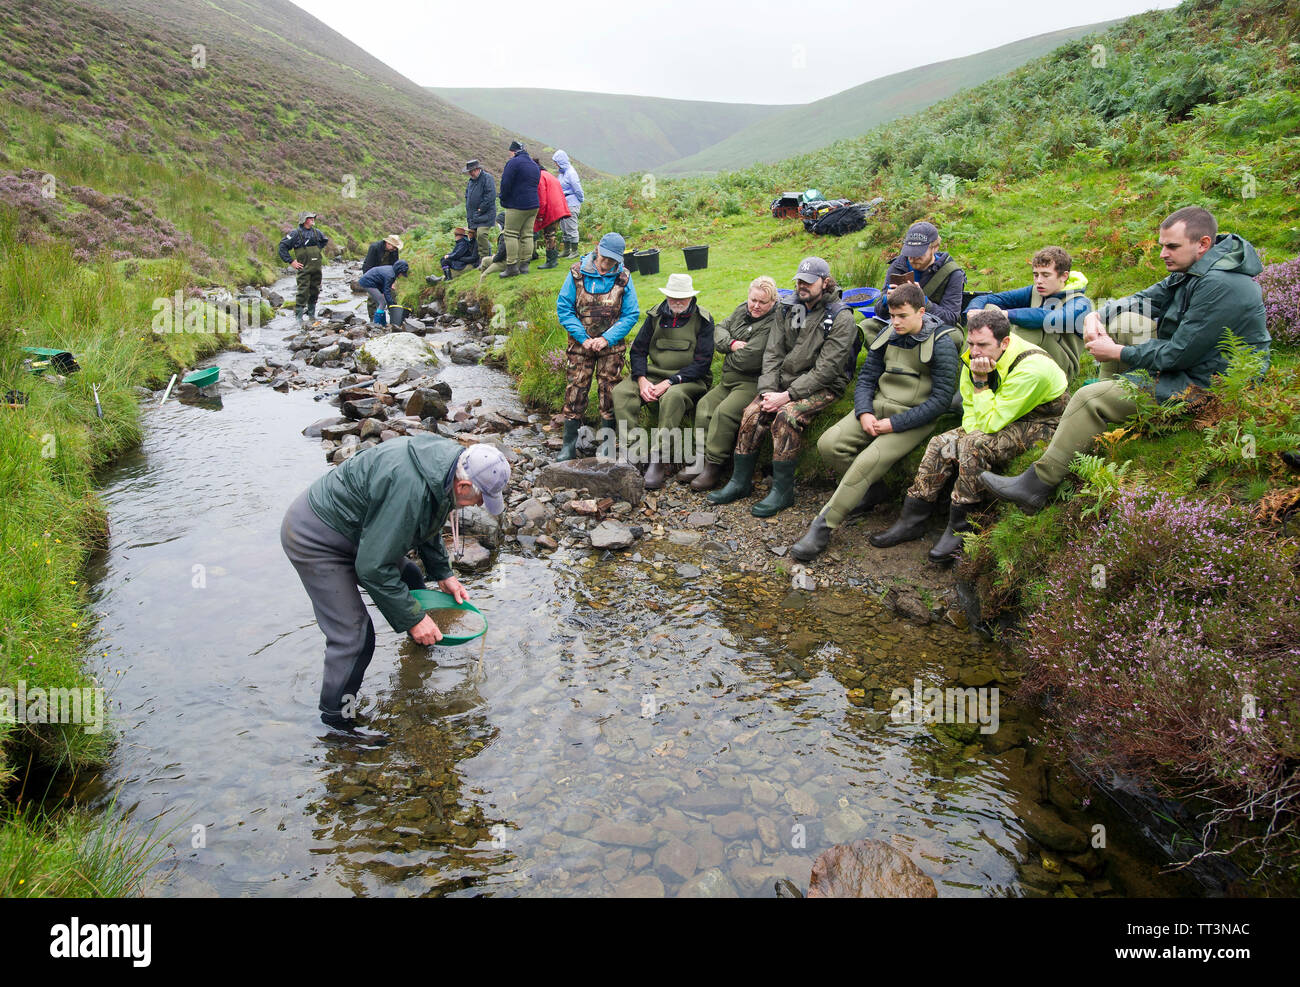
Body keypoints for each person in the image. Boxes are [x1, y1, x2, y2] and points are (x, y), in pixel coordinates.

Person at [981, 207, 1270, 512]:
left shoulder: (1219, 284)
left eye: (1171, 246)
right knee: (1122, 322)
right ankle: (1108, 416)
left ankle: (1035, 487)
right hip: (1199, 361)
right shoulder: (1197, 268)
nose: (1162, 253)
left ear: (1203, 243)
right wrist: (1097, 315)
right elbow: (1144, 299)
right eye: (1161, 245)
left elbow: (1179, 354)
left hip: (1211, 381)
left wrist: (1117, 353)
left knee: (1087, 397)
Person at [280, 438, 511, 732]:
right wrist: (414, 618)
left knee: (412, 578)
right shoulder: (410, 491)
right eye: (479, 500)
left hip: (356, 530)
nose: (479, 505)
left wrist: (443, 573)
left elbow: (428, 517)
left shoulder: (448, 465)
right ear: (463, 487)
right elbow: (372, 568)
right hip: (314, 538)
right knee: (356, 637)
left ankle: (419, 650)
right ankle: (337, 723)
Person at [869, 308, 1068, 562]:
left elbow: (990, 422)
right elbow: (971, 407)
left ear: (1004, 342)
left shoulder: (1032, 369)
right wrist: (966, 429)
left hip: (1042, 422)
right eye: (971, 343)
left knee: (974, 445)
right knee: (940, 443)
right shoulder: (973, 355)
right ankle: (912, 519)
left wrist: (981, 382)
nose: (974, 352)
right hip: (998, 412)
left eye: (982, 345)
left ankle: (963, 525)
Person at [792, 282, 961, 561]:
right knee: (829, 444)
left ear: (921, 311)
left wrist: (895, 425)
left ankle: (822, 528)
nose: (895, 322)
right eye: (892, 315)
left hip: (915, 417)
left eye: (902, 316)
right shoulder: (887, 334)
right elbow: (867, 379)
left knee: (866, 462)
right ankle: (873, 491)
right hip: (877, 408)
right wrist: (865, 412)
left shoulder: (942, 342)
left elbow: (941, 401)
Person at [708, 257, 858, 517]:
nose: (803, 286)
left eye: (809, 282)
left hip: (824, 385)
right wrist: (767, 390)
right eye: (799, 280)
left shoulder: (841, 318)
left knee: (786, 417)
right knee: (752, 413)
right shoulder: (788, 308)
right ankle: (739, 482)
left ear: (825, 282)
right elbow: (773, 352)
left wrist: (786, 397)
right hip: (782, 383)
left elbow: (827, 369)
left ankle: (783, 490)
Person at [678, 276, 781, 492]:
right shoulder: (742, 310)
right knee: (704, 405)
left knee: (724, 413)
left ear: (772, 302)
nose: (756, 306)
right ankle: (699, 460)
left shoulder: (773, 322)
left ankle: (714, 466)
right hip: (728, 380)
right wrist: (732, 344)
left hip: (752, 382)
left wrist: (729, 353)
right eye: (753, 299)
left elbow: (749, 358)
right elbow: (720, 330)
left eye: (762, 302)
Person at [612, 273, 714, 489]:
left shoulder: (704, 320)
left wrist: (671, 382)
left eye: (682, 298)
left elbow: (703, 363)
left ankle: (658, 459)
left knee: (672, 398)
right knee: (621, 393)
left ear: (691, 298)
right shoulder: (655, 315)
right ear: (667, 296)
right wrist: (641, 380)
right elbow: (638, 350)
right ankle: (633, 453)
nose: (677, 302)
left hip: (688, 379)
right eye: (672, 297)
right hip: (653, 374)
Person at [554, 232, 640, 461]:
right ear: (597, 249)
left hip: (610, 347)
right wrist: (584, 338)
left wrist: (606, 339)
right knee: (575, 388)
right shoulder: (576, 272)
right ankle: (568, 446)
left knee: (609, 391)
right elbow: (564, 308)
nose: (606, 265)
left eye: (611, 261)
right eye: (604, 259)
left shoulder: (624, 277)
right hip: (581, 344)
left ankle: (606, 445)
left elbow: (631, 313)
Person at [965, 246, 1092, 379]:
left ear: (1064, 276)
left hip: (1061, 367)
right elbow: (985, 298)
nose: (1039, 281)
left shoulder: (1080, 302)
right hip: (1031, 358)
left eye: (1046, 275)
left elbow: (1052, 318)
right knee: (989, 308)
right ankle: (972, 374)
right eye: (1036, 275)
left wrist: (1006, 314)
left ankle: (996, 375)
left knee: (1030, 326)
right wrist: (972, 313)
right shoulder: (1035, 291)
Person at [873, 221, 966, 326]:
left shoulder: (953, 273)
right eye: (910, 252)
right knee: (867, 326)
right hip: (898, 323)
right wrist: (887, 300)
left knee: (955, 337)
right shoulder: (898, 266)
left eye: (919, 252)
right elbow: (879, 312)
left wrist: (922, 300)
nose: (913, 258)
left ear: (935, 247)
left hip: (933, 325)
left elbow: (950, 318)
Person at [498, 140, 541, 278]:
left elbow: (505, 183)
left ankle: (511, 267)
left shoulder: (513, 163)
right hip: (533, 204)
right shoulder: (534, 165)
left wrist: (503, 199)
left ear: (513, 151)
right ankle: (524, 265)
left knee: (510, 234)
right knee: (527, 234)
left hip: (517, 205)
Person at [278, 211, 330, 323]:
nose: (313, 219)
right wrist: (291, 261)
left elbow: (324, 241)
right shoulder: (295, 233)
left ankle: (312, 315)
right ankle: (299, 318)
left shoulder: (317, 232)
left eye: (313, 218)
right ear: (304, 220)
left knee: (315, 290)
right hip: (303, 268)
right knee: (302, 291)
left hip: (317, 268)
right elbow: (282, 246)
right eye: (310, 218)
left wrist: (317, 251)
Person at [533, 160, 571, 270]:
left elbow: (542, 198)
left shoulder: (540, 177)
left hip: (551, 209)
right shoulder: (548, 175)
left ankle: (551, 261)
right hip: (558, 207)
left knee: (549, 235)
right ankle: (552, 259)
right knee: (552, 234)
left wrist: (540, 215)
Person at [362, 234, 403, 320]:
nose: (395, 249)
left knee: (392, 295)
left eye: (396, 247)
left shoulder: (394, 251)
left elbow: (394, 266)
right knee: (373, 298)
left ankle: (395, 319)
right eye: (394, 247)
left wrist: (393, 281)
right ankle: (373, 320)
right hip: (372, 274)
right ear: (388, 243)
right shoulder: (374, 248)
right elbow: (367, 266)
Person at [357, 259, 410, 325]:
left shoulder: (391, 270)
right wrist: (392, 305)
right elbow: (386, 291)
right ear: (398, 271)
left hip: (372, 281)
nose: (401, 275)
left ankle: (382, 322)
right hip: (368, 283)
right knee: (382, 302)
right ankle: (377, 323)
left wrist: (387, 299)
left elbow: (382, 283)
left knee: (380, 301)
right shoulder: (390, 275)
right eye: (402, 273)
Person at [552, 149, 584, 257]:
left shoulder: (571, 173)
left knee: (571, 227)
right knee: (564, 227)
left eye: (556, 162)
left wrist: (580, 200)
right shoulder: (562, 173)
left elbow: (577, 189)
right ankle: (566, 250)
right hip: (563, 204)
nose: (555, 164)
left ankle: (574, 251)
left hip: (571, 203)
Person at [464, 159, 497, 260]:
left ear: (478, 169)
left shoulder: (487, 178)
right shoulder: (471, 182)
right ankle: (482, 260)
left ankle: (485, 260)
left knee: (482, 235)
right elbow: (467, 196)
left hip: (485, 214)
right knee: (477, 237)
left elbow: (490, 195)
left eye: (472, 171)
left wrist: (480, 209)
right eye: (469, 171)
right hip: (474, 216)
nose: (470, 173)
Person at [477, 213, 509, 281]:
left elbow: (502, 253)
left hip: (505, 262)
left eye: (498, 223)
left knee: (484, 276)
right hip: (505, 259)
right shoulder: (512, 231)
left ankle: (482, 285)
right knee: (485, 260)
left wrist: (494, 258)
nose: (498, 225)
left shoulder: (504, 235)